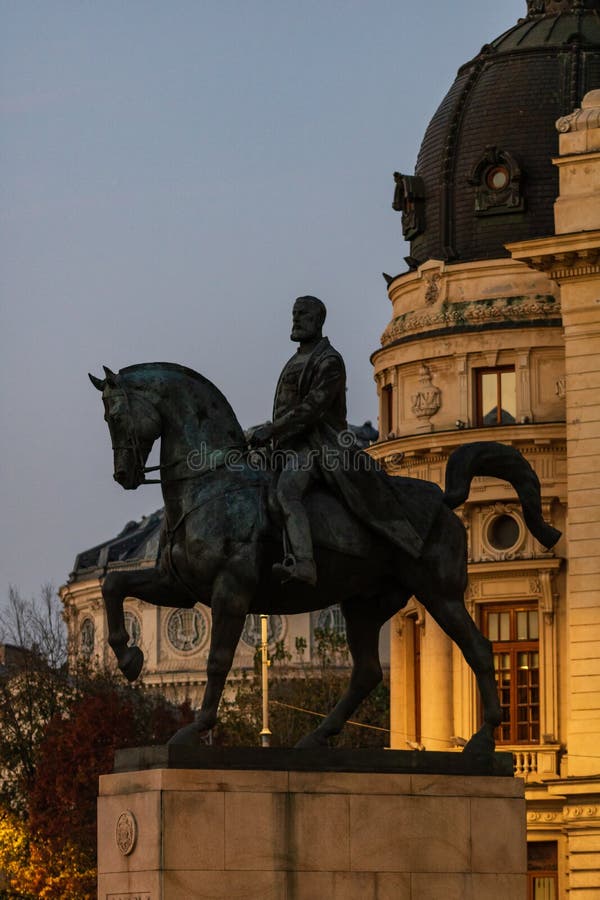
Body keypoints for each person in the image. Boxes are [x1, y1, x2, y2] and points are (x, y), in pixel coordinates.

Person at [249, 295, 443, 586]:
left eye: (303, 314)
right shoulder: (297, 359)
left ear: (318, 320)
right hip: (286, 445)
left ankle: (304, 563)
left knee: (287, 492)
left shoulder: (329, 360)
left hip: (320, 446)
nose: (296, 319)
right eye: (294, 314)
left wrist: (272, 429)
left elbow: (313, 408)